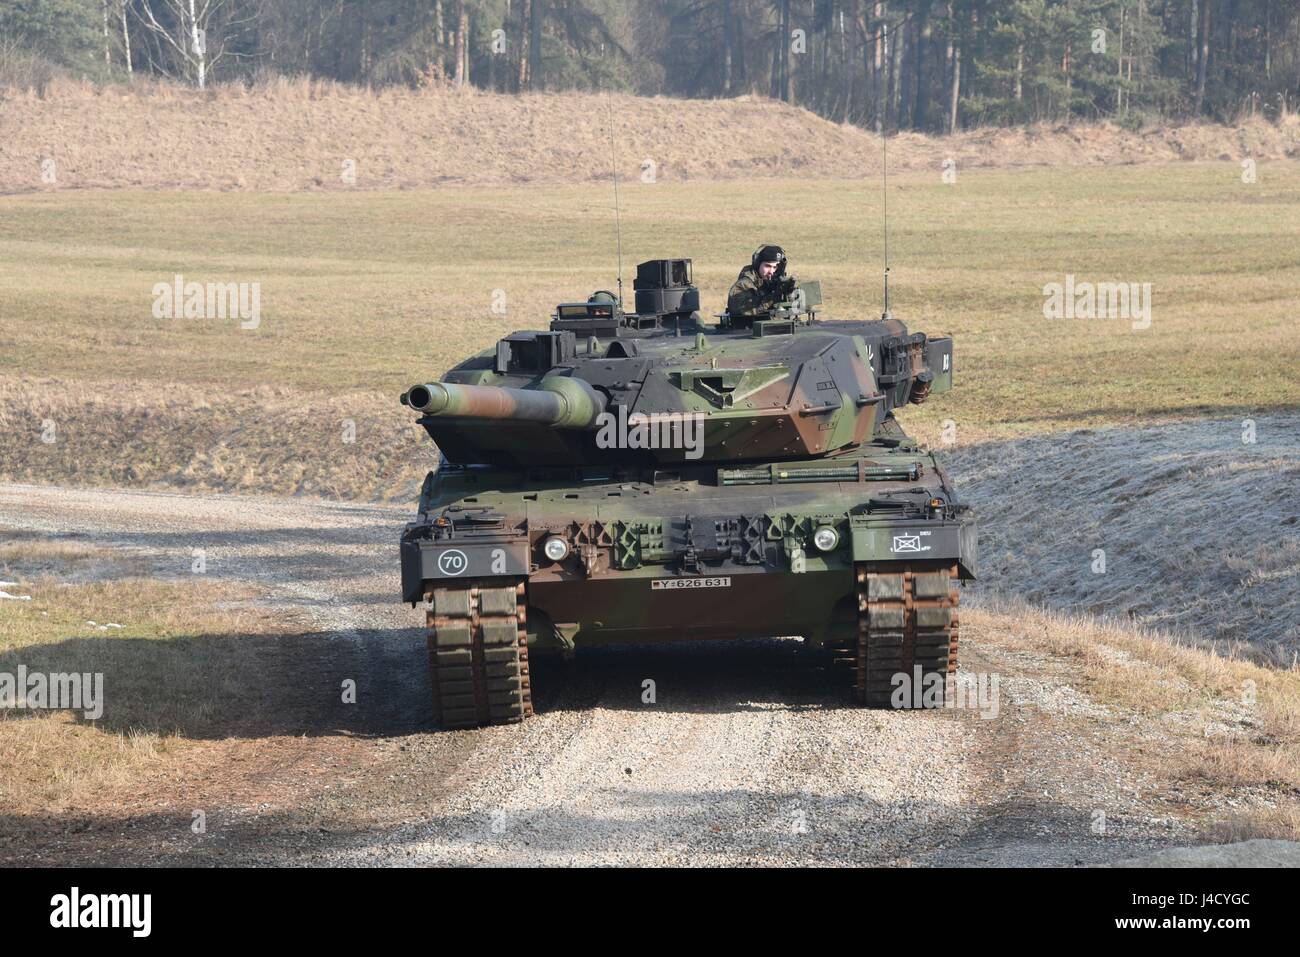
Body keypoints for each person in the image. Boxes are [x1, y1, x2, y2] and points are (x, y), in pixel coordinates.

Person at [726, 244, 797, 317]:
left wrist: (788, 293)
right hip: (748, 326)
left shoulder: (771, 281)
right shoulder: (743, 285)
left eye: (775, 267)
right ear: (757, 264)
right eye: (767, 266)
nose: (771, 271)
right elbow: (746, 310)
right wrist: (775, 295)